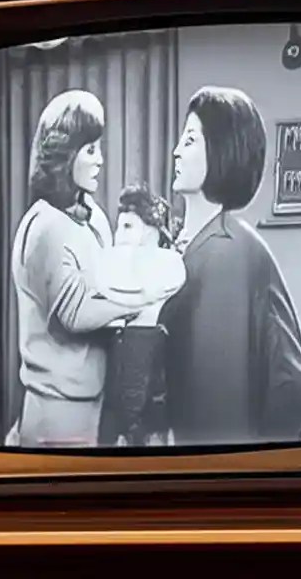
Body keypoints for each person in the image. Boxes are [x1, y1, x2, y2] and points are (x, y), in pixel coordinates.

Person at [159, 85, 301, 446]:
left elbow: (216, 403)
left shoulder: (228, 253)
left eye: (189, 141)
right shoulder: (177, 246)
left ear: (220, 151)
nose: (175, 152)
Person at [5, 89, 165, 448]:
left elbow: (107, 282)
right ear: (65, 155)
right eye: (90, 150)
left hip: (96, 406)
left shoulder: (94, 217)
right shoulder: (43, 226)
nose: (100, 161)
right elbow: (75, 313)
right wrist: (145, 297)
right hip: (55, 416)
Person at [98, 183, 184, 446]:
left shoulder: (171, 278)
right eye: (118, 227)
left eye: (128, 227)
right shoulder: (108, 280)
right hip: (111, 420)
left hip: (155, 420)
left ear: (152, 234)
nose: (118, 236)